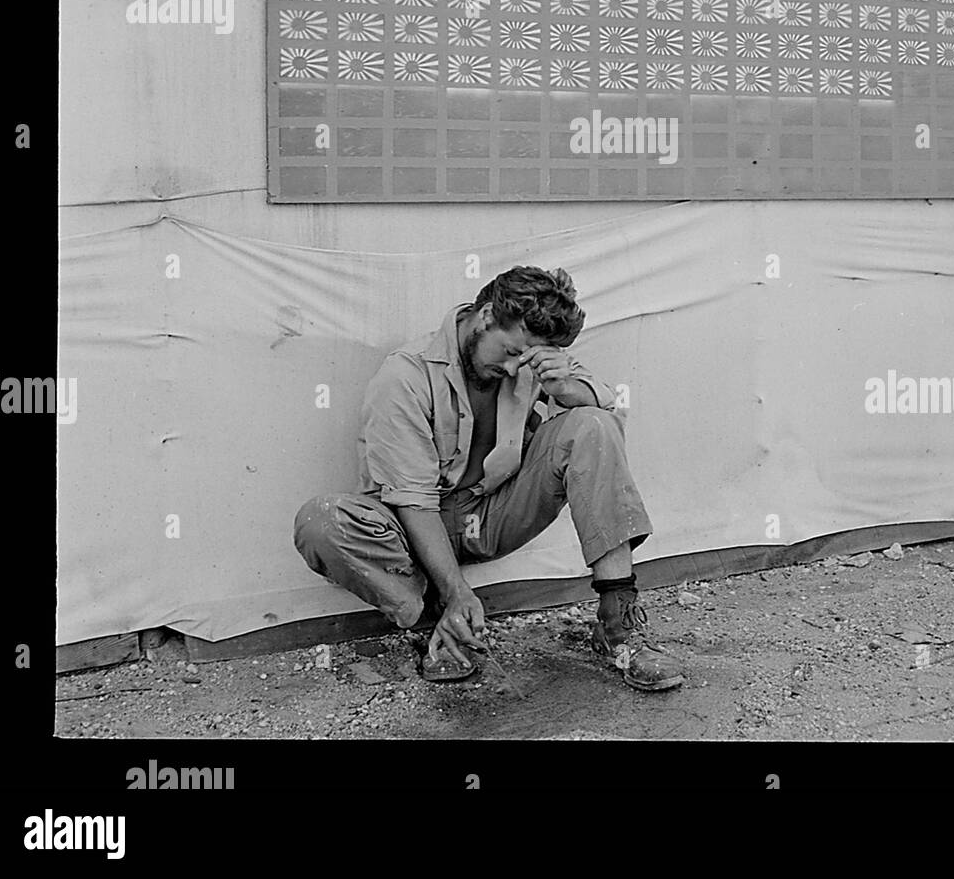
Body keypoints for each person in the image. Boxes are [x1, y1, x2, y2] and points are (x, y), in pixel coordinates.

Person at [294, 265, 685, 692]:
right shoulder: (406, 374)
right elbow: (413, 501)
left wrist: (564, 384)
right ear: (484, 317)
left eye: (529, 358)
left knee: (594, 425)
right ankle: (438, 623)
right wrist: (456, 592)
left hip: (491, 516)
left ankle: (618, 628)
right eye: (512, 351)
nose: (518, 367)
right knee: (322, 521)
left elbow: (607, 408)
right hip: (411, 527)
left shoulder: (531, 355)